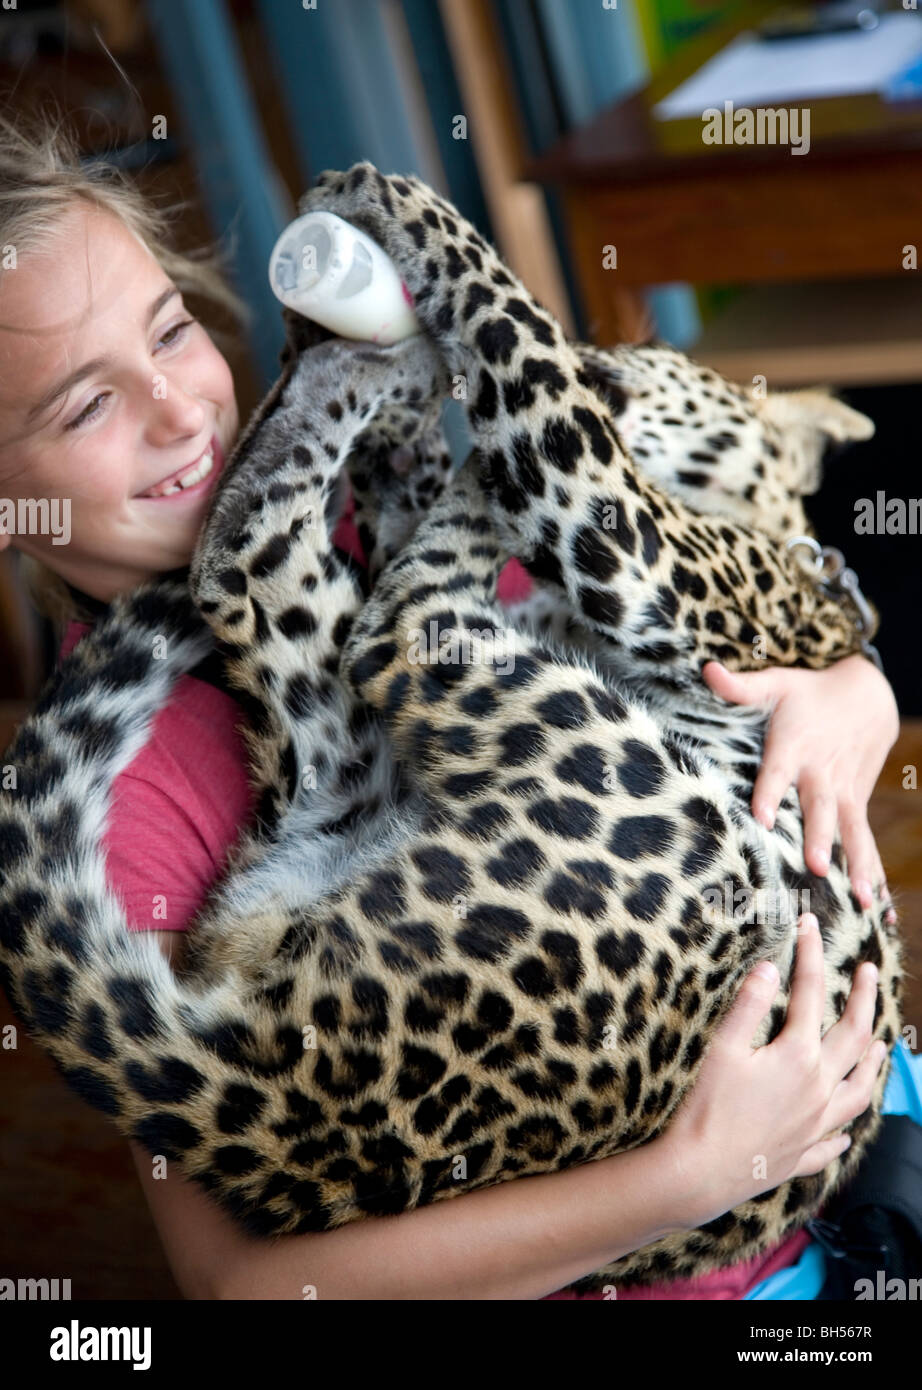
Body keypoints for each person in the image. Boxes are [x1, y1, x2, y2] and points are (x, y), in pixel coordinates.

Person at [0, 109, 898, 1300]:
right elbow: (248, 1290)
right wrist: (693, 1175)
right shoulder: (136, 801)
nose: (176, 409)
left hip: (859, 1162)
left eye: (171, 330)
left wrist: (855, 694)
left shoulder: (367, 508)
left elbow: (691, 634)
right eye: (83, 406)